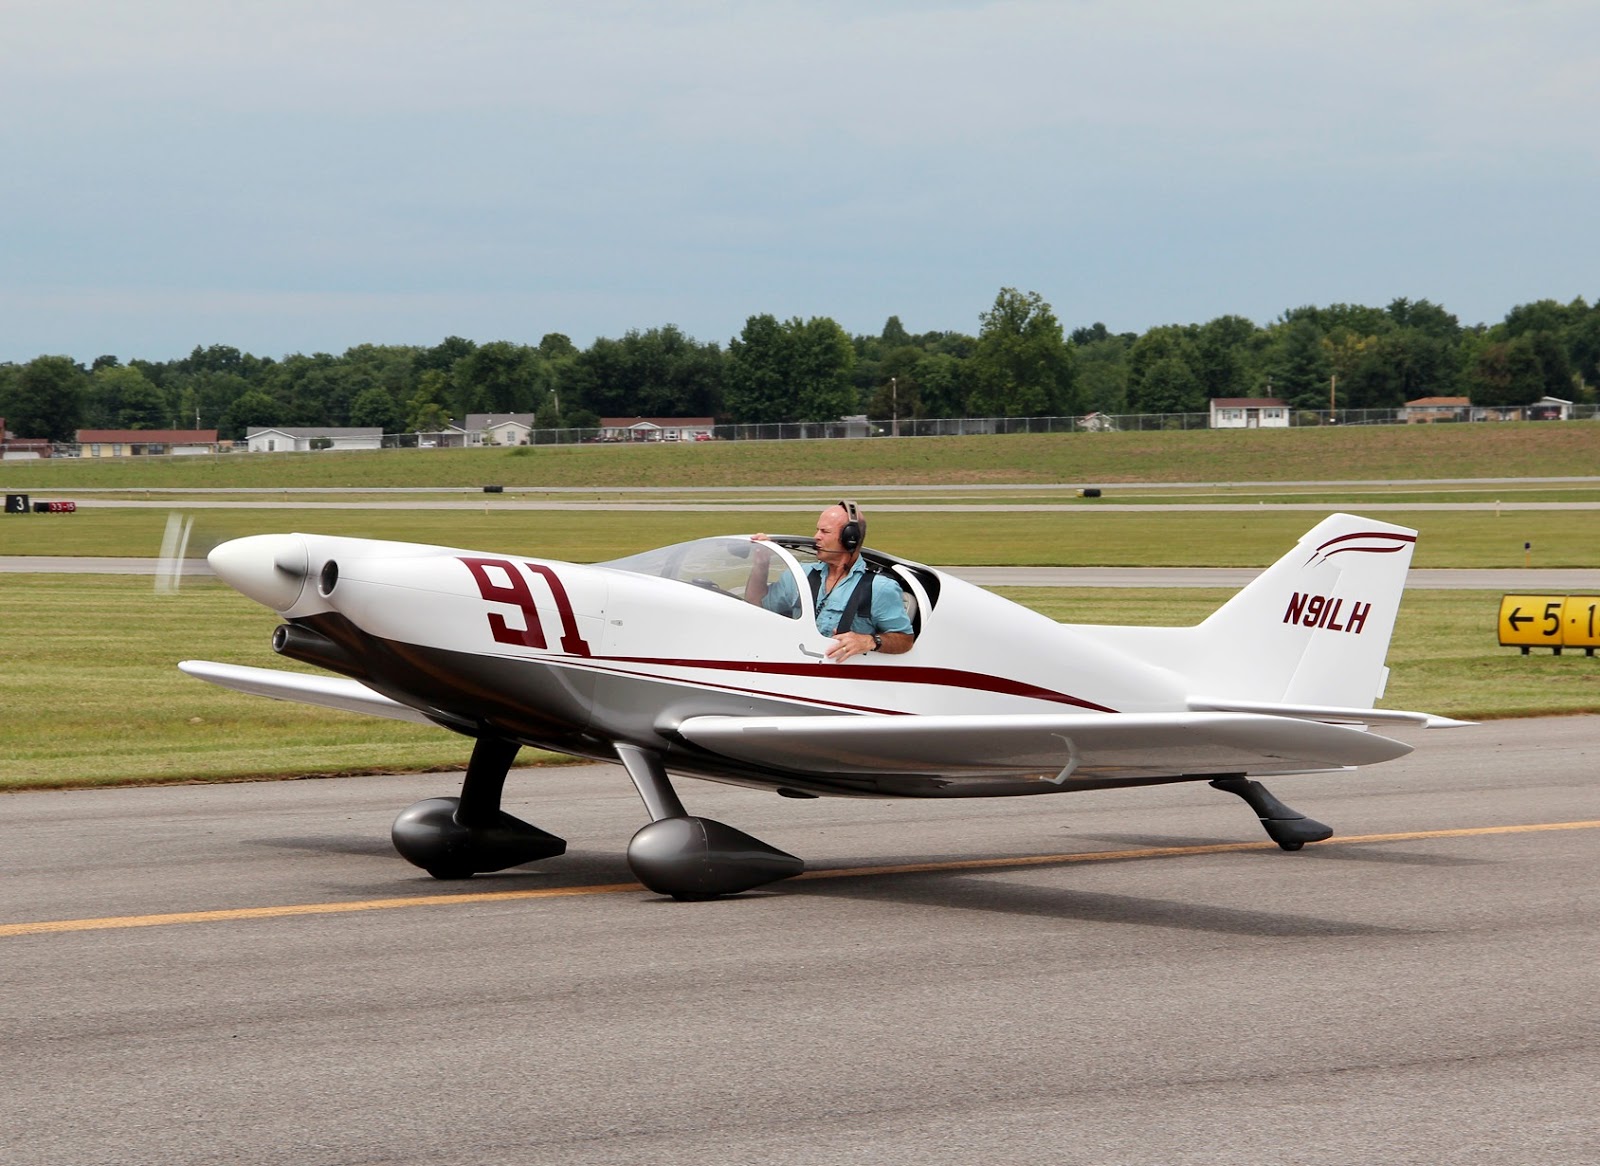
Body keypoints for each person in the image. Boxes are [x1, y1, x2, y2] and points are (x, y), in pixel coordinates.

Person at [746, 501, 914, 662]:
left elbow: (905, 640)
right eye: (817, 530)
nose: (816, 537)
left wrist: (869, 641)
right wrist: (761, 563)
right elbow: (756, 605)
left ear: (850, 538)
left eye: (825, 532)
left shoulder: (879, 588)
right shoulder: (800, 576)